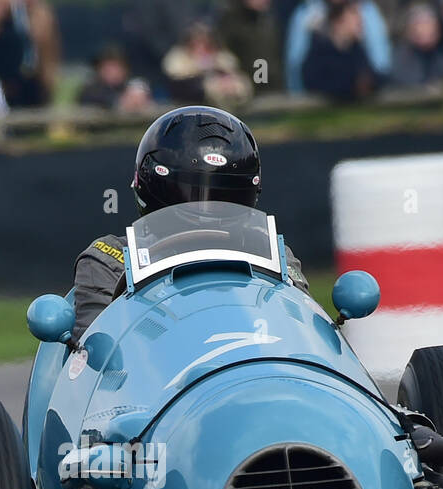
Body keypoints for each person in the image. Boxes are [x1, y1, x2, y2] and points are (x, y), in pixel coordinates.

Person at [70, 106, 307, 341]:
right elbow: (95, 358)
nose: (207, 210)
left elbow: (301, 329)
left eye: (224, 198)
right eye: (192, 193)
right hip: (156, 371)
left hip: (251, 365)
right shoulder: (111, 261)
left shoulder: (271, 252)